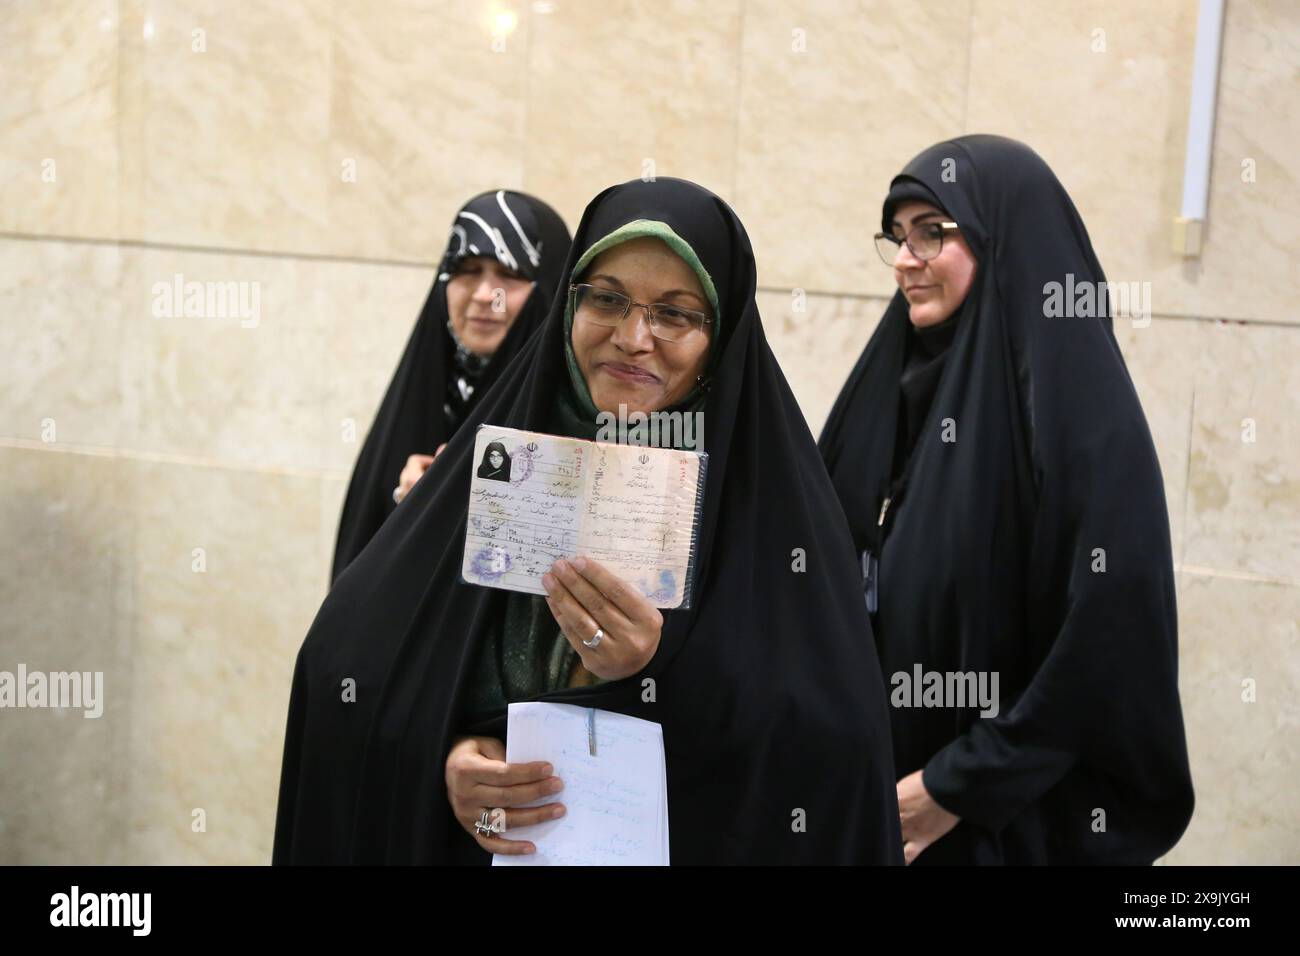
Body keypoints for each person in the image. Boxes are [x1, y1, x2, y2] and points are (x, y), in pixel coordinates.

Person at [275, 177, 903, 865]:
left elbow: (833, 755)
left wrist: (656, 671)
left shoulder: (773, 511)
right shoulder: (497, 468)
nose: (634, 338)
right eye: (606, 299)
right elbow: (341, 673)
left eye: (676, 313)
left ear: (721, 336)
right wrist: (449, 757)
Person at [819, 135, 1194, 864]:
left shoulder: (1082, 420)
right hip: (875, 810)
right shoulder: (887, 393)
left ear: (1003, 242)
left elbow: (1111, 631)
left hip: (1008, 825)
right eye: (897, 236)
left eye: (934, 232)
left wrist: (962, 785)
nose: (905, 257)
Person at [331, 190, 570, 582]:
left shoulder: (569, 417)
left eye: (510, 274)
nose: (482, 295)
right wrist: (407, 503)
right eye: (467, 269)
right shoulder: (427, 387)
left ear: (552, 287)